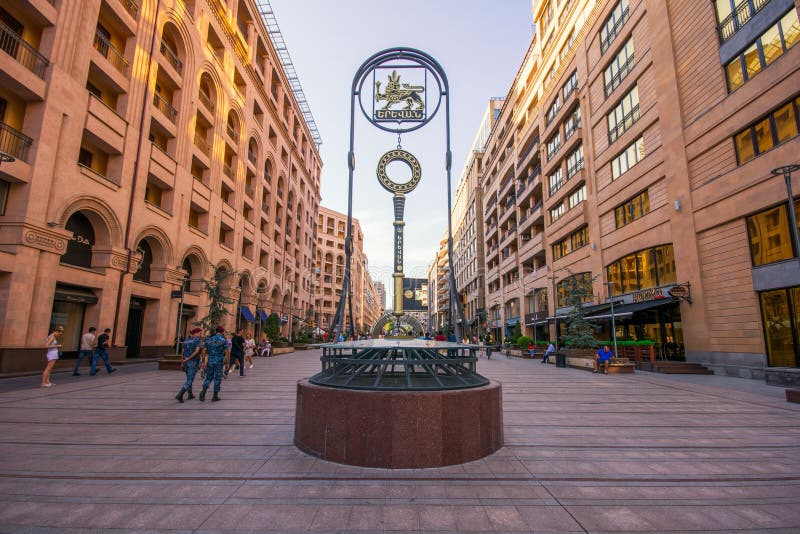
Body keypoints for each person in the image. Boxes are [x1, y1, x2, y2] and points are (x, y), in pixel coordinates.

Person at [200, 326, 229, 401]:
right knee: (217, 378)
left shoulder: (209, 340)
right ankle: (215, 396)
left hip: (210, 361)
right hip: (219, 362)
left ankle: (203, 392)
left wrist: (203, 361)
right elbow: (227, 352)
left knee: (208, 377)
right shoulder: (223, 340)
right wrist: (227, 363)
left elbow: (203, 351)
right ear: (222, 332)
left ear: (216, 331)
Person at [175, 327, 203, 402]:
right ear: (196, 333)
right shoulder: (197, 340)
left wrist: (182, 361)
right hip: (192, 362)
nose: (201, 335)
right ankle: (180, 394)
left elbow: (183, 352)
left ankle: (190, 394)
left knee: (189, 378)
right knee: (190, 379)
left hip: (186, 362)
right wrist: (189, 358)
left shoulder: (186, 341)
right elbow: (197, 351)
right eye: (200, 333)